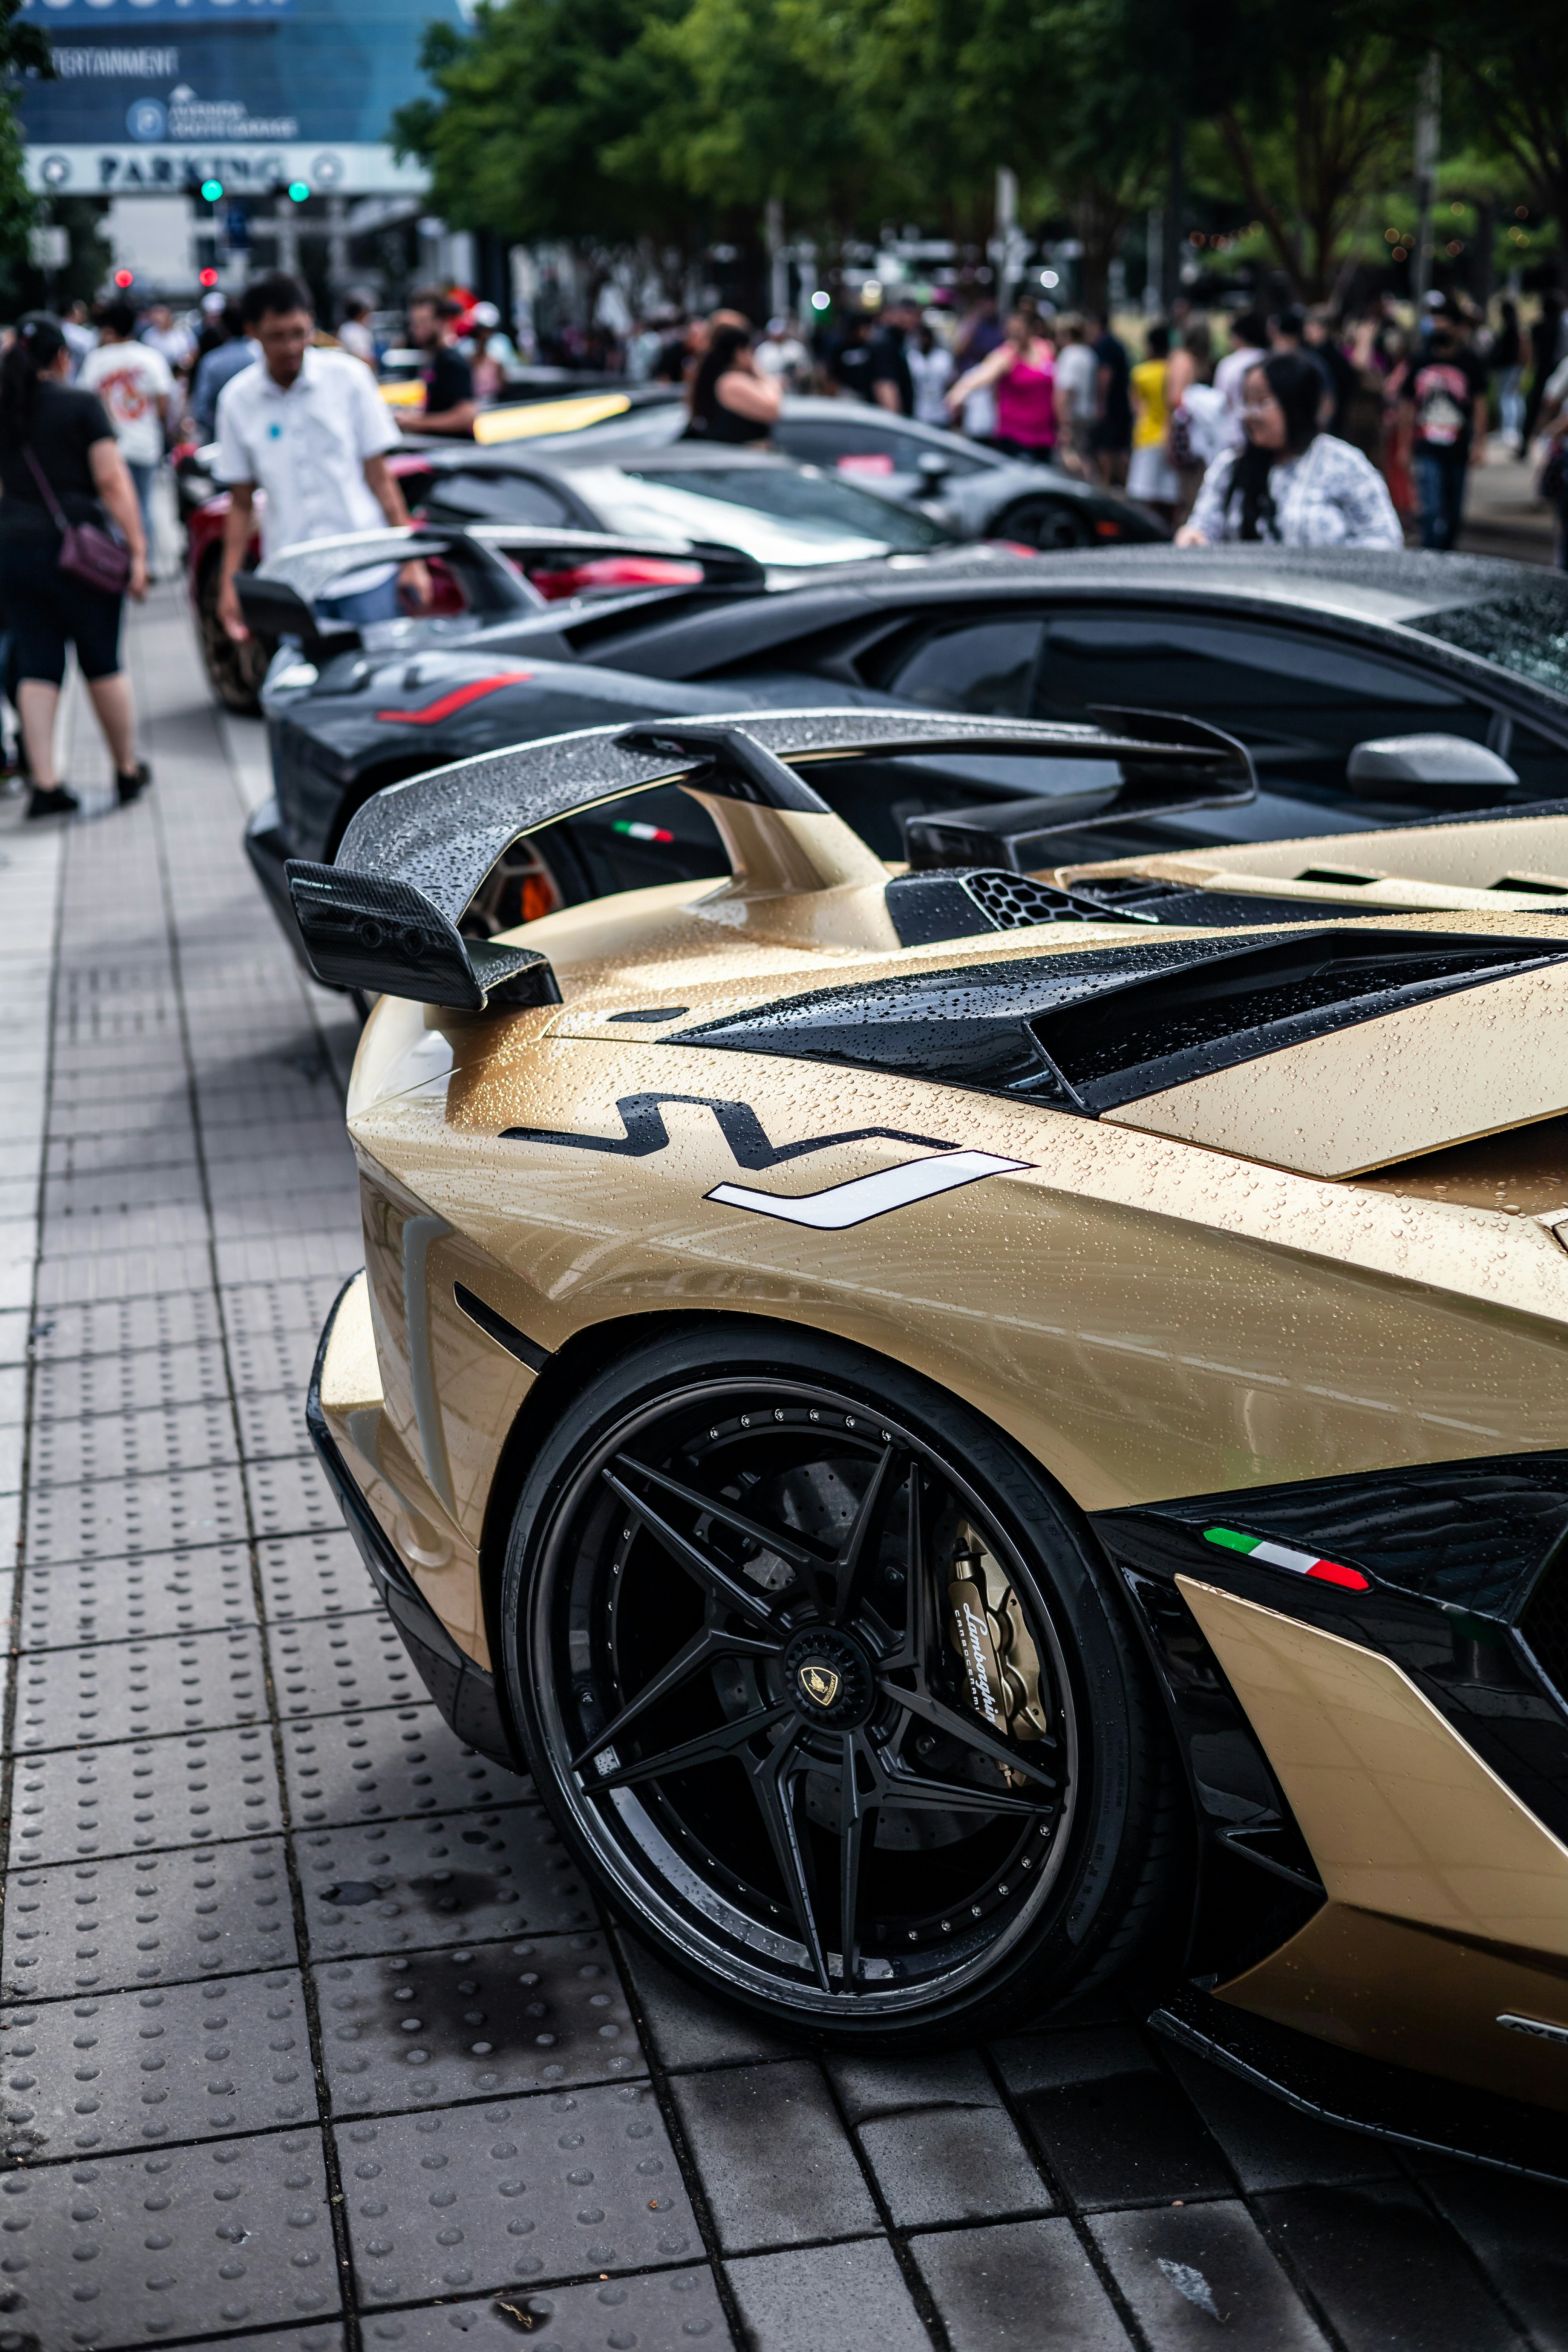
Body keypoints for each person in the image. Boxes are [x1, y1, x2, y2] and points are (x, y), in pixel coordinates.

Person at [213, 271, 430, 646]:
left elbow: (380, 477)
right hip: (293, 583)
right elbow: (240, 504)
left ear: (311, 324)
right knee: (305, 696)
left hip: (366, 571)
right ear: (253, 332)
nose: (291, 347)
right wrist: (229, 586)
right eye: (277, 337)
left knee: (378, 694)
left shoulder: (350, 379)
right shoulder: (237, 401)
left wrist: (411, 560)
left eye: (299, 333)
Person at [0, 312, 149, 819]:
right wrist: (139, 551)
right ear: (63, 357)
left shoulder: (4, 408)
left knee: (37, 664)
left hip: (15, 553)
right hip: (80, 553)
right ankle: (126, 771)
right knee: (102, 660)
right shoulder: (81, 405)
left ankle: (45, 784)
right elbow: (112, 482)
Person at [1178, 350, 1401, 548]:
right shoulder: (1230, 466)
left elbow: (1385, 540)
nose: (1250, 414)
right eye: (1246, 403)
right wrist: (1193, 538)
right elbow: (1203, 528)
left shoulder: (1344, 465)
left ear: (1296, 404)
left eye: (1262, 402)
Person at [75, 300, 172, 547]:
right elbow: (164, 402)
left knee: (113, 510)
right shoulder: (151, 357)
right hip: (145, 444)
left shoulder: (96, 360)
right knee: (143, 506)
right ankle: (147, 564)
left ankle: (119, 564)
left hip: (107, 448)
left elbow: (84, 403)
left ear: (108, 330)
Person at [1399, 304, 1489, 552]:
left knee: (1453, 512)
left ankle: (1446, 555)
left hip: (1458, 447)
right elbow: (1407, 406)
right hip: (1426, 445)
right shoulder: (1420, 360)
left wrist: (1480, 444)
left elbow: (1481, 406)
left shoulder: (1470, 362)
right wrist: (1405, 446)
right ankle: (1430, 556)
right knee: (1430, 507)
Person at [946, 308, 1057, 461]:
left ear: (1031, 329)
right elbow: (982, 375)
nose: (1014, 335)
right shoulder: (1006, 355)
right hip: (1016, 436)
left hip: (1045, 436)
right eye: (1011, 331)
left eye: (1019, 330)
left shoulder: (1047, 349)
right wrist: (960, 391)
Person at [681, 321, 781, 444]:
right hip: (742, 454)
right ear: (740, 352)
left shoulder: (723, 378)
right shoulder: (731, 381)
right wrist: (760, 372)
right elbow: (774, 409)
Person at [402, 288, 478, 437]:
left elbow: (467, 415)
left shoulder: (452, 361)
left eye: (423, 322)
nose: (415, 329)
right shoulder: (436, 359)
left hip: (456, 455)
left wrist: (416, 422)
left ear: (440, 322)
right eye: (414, 323)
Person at [1127, 323, 1180, 519]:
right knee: (1169, 493)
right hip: (1170, 437)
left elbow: (1137, 408)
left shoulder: (1140, 373)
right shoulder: (1172, 372)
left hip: (1147, 434)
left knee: (1145, 493)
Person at [189, 303, 254, 441]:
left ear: (223, 329)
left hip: (220, 440)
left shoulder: (211, 362)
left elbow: (201, 410)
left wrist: (218, 429)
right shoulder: (261, 358)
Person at [1087, 308, 1132, 484]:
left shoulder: (1105, 345)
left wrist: (1101, 404)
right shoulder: (1116, 344)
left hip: (1112, 406)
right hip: (1121, 404)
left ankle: (1107, 488)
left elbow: (1105, 375)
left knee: (1105, 450)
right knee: (1119, 450)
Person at [1213, 309, 1268, 448]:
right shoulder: (1268, 359)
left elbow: (1220, 401)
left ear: (1238, 337)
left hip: (1234, 434)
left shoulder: (1228, 364)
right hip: (1264, 431)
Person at [1052, 314, 1098, 473]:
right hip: (1087, 414)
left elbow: (1066, 390)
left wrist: (1064, 424)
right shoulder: (1089, 354)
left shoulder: (1069, 355)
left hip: (1072, 417)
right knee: (1083, 454)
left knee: (1070, 458)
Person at [868, 298, 918, 416]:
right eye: (908, 313)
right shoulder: (885, 343)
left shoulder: (900, 342)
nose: (913, 319)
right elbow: (885, 387)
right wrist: (898, 427)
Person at [906, 322, 955, 427]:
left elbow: (951, 384)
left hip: (941, 413)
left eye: (926, 337)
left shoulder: (943, 358)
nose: (924, 341)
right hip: (920, 413)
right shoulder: (912, 358)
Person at [1492, 297, 1524, 452]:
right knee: (1513, 398)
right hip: (1513, 367)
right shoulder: (1514, 326)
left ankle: (1509, 430)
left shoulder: (1511, 328)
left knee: (1507, 398)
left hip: (1508, 367)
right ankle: (1511, 429)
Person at [824, 311, 877, 402]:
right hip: (846, 393)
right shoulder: (841, 347)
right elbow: (833, 374)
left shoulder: (871, 348)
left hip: (868, 393)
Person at [139, 300, 194, 378]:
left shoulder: (183, 332)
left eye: (161, 313)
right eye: (154, 313)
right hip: (156, 376)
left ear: (170, 314)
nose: (157, 317)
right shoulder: (148, 335)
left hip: (179, 377)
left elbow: (194, 352)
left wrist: (186, 363)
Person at [337, 294, 377, 369]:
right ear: (361, 314)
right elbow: (364, 357)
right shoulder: (358, 331)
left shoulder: (345, 328)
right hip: (358, 370)